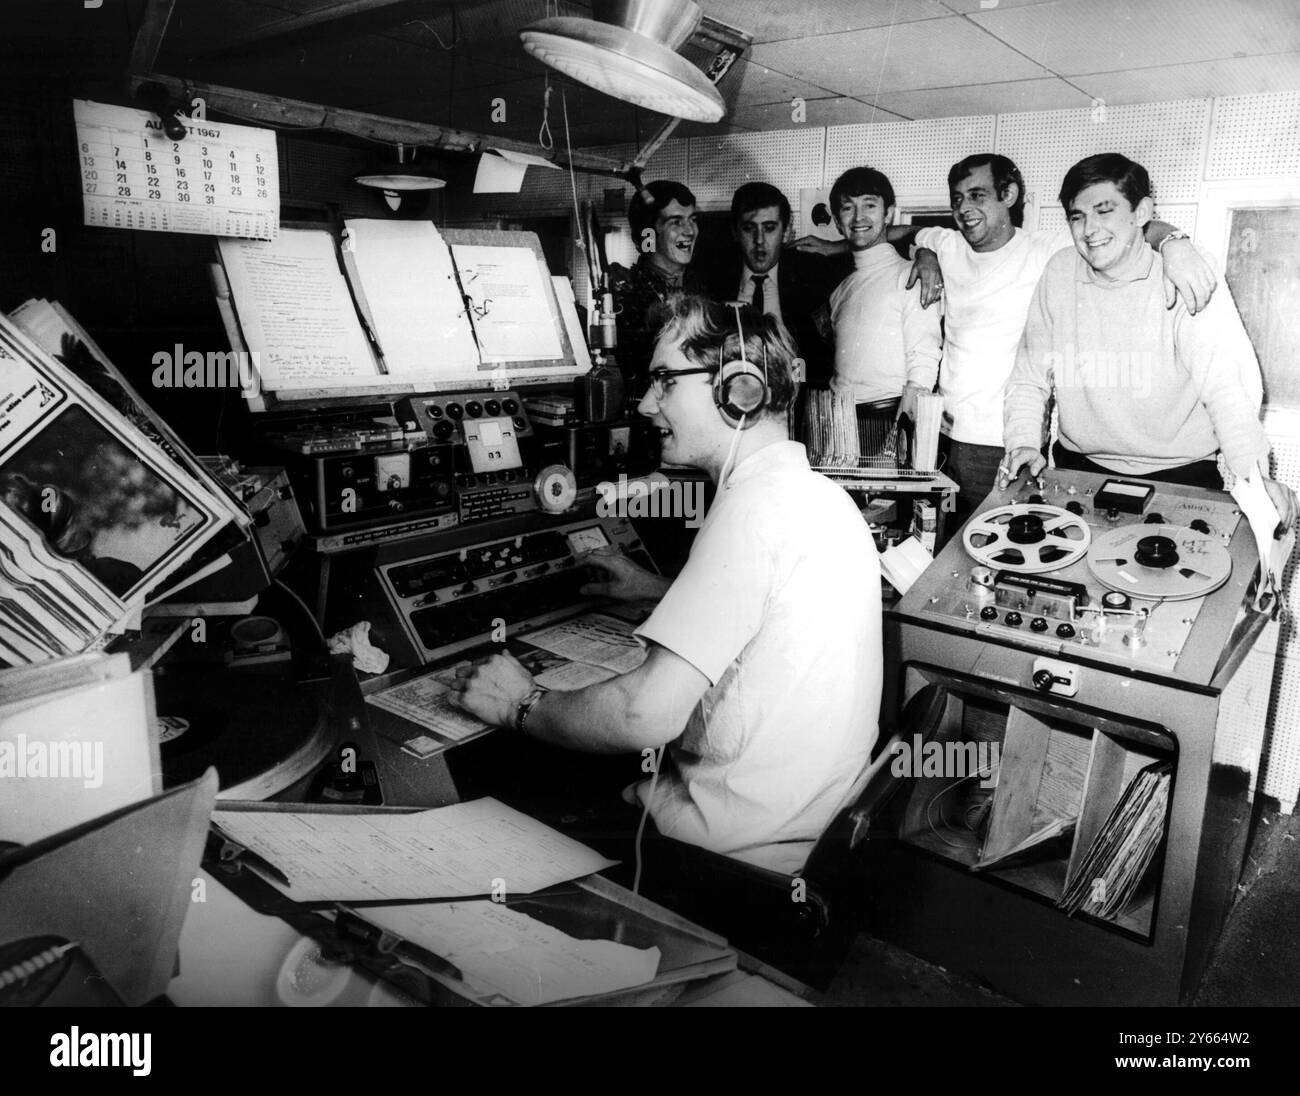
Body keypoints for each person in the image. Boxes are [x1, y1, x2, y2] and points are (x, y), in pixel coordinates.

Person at [450, 295, 882, 875]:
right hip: (806, 834)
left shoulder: (749, 513)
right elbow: (774, 617)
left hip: (726, 864)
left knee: (491, 795)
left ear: (739, 390)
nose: (647, 403)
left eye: (664, 381)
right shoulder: (818, 496)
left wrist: (518, 703)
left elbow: (642, 717)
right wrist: (658, 591)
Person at [796, 153, 1216, 516]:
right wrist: (868, 250)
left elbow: (1131, 231)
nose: (964, 208)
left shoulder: (1047, 251)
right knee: (935, 544)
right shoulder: (945, 243)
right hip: (939, 438)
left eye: (977, 196)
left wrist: (1174, 242)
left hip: (1003, 445)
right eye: (957, 199)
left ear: (1009, 195)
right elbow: (896, 232)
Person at [1002, 153, 1274, 494]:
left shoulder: (1183, 270)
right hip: (1077, 469)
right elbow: (1028, 378)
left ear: (1141, 212)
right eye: (1077, 217)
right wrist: (1023, 442)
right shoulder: (1059, 271)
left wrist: (1257, 480)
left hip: (1179, 475)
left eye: (1104, 211)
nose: (1089, 230)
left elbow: (1226, 385)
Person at [825, 166, 941, 426]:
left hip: (887, 419)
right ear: (836, 221)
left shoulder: (912, 275)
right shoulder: (840, 289)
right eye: (847, 208)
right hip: (836, 421)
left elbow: (924, 360)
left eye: (869, 206)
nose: (858, 217)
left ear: (888, 214)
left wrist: (903, 431)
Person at [709, 181, 851, 388]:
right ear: (735, 232)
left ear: (786, 231)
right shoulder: (715, 276)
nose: (760, 240)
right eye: (749, 229)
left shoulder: (810, 270)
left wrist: (837, 246)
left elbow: (875, 245)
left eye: (769, 228)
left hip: (796, 393)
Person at [608, 180, 706, 390]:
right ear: (648, 234)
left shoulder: (706, 286)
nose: (690, 231)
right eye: (676, 222)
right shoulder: (627, 296)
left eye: (692, 219)